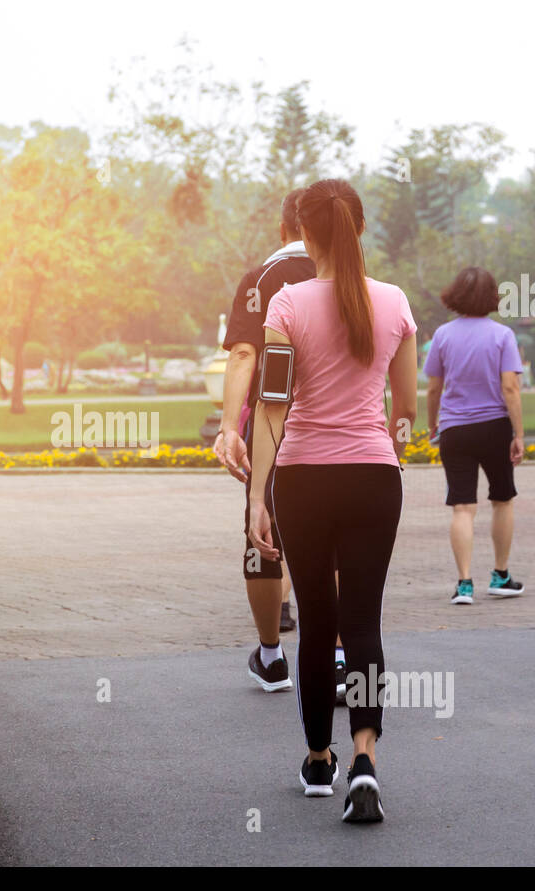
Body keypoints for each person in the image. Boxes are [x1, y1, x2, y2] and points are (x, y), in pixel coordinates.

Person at [248, 178, 418, 823]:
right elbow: (406, 409)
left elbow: (272, 404)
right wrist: (389, 445)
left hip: (303, 479)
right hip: (374, 477)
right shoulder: (394, 302)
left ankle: (320, 759)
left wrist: (258, 497)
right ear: (361, 228)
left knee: (318, 624)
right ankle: (364, 758)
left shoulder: (286, 303)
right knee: (364, 622)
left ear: (303, 234)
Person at [215, 188, 314, 694]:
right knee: (333, 538)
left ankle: (272, 656)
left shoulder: (260, 280)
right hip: (339, 424)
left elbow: (243, 354)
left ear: (282, 228)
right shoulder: (349, 278)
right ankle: (338, 656)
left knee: (262, 533)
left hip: (272, 425)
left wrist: (230, 426)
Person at [425, 267, 526, 605]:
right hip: (495, 428)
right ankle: (500, 575)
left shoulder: (442, 335)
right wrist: (519, 434)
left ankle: (464, 584)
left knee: (462, 507)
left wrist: (433, 425)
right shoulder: (503, 335)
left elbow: (434, 388)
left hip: (455, 429)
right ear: (492, 296)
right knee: (502, 499)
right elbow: (510, 388)